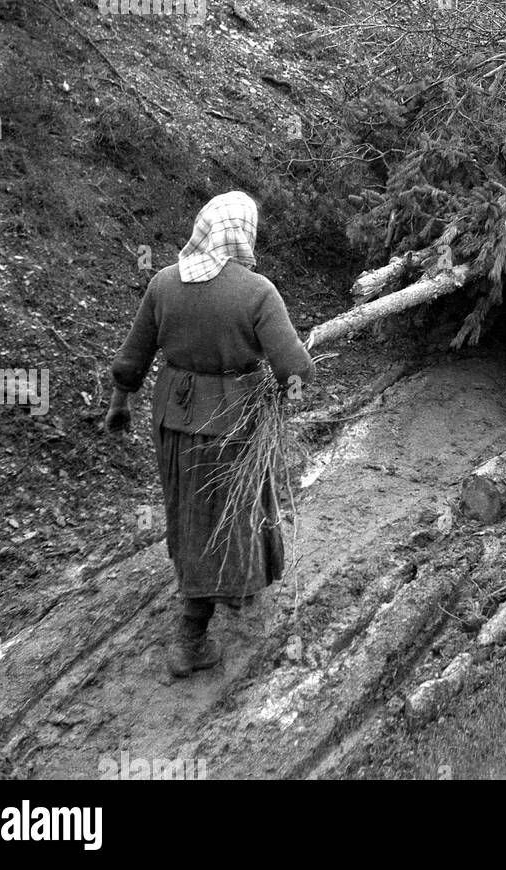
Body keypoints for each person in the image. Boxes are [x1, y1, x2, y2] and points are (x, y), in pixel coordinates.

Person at [104, 191, 313, 678]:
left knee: (189, 512)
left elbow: (132, 356)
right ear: (244, 233)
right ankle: (191, 639)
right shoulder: (257, 292)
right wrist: (292, 391)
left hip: (173, 420)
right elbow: (295, 368)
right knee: (228, 515)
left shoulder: (163, 284)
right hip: (233, 423)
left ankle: (238, 586)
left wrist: (119, 403)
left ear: (203, 229)